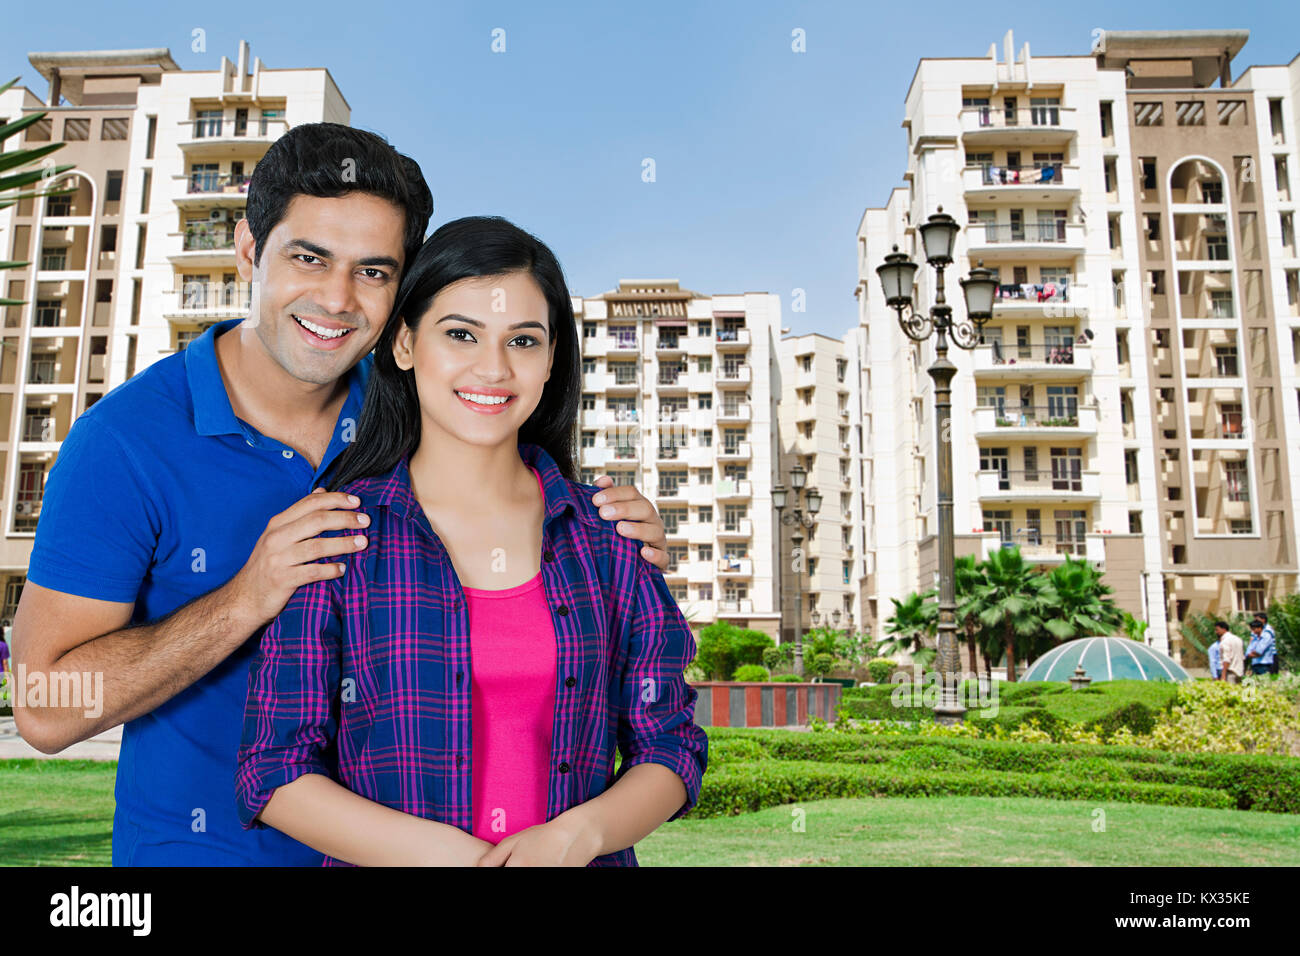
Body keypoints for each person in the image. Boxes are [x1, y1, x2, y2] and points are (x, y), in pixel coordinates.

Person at [12, 123, 669, 866]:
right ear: (249, 249)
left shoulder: (427, 402)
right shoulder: (124, 443)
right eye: (308, 258)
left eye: (374, 271)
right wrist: (245, 598)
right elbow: (43, 705)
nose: (336, 298)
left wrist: (610, 529)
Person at [235, 216, 708, 866]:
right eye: (461, 334)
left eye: (523, 340)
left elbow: (671, 744)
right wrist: (439, 856)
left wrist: (584, 835)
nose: (493, 368)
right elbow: (274, 767)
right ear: (404, 344)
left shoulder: (610, 538)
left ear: (550, 361)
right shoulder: (334, 537)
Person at [1216, 621, 1244, 685]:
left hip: (1230, 672)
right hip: (1239, 671)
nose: (1216, 632)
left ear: (1224, 629)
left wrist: (1223, 675)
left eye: (1217, 630)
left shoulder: (1225, 641)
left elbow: (1226, 659)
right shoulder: (1238, 639)